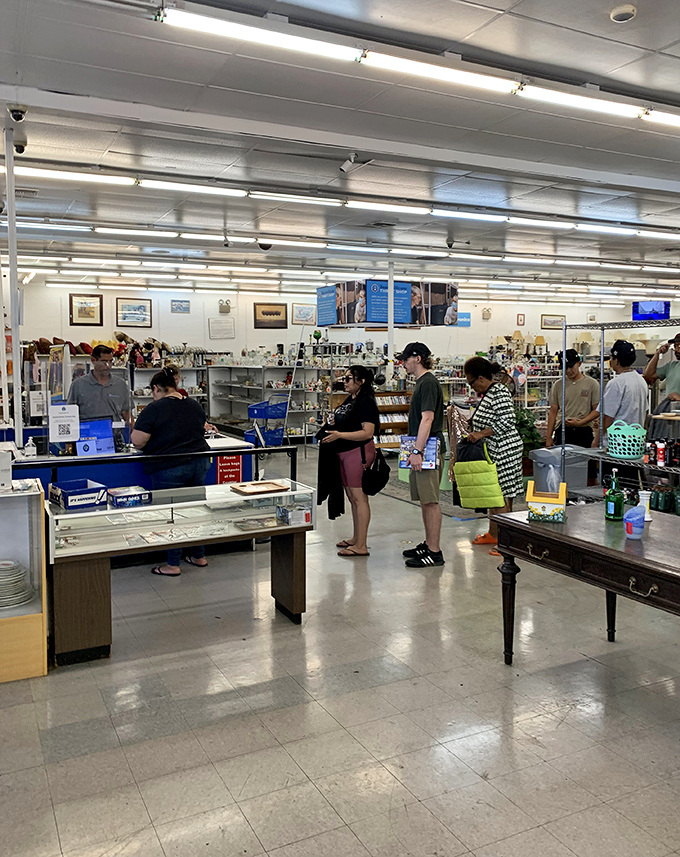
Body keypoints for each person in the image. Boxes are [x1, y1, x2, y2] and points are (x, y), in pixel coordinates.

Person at [130, 367, 211, 577]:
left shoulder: (154, 409)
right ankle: (199, 555)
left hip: (170, 466)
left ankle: (173, 564)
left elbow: (138, 441)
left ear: (156, 388)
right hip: (199, 462)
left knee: (171, 514)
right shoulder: (193, 405)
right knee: (195, 510)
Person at [465, 356, 523, 556]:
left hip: (504, 450)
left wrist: (481, 433)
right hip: (494, 450)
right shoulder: (490, 393)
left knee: (500, 495)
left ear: (481, 378)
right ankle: (494, 533)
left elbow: (507, 420)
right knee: (493, 494)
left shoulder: (499, 392)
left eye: (471, 382)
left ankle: (506, 542)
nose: (472, 387)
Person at [321, 366, 380, 557]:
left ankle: (361, 545)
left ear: (361, 381)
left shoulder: (366, 402)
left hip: (357, 452)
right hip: (345, 452)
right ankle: (357, 538)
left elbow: (367, 432)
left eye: (348, 379)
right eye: (344, 379)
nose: (344, 382)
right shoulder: (351, 399)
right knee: (352, 497)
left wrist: (339, 434)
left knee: (359, 498)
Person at [399, 343, 446, 568]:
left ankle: (434, 552)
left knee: (430, 501)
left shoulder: (427, 383)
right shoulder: (422, 382)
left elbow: (428, 419)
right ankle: (429, 544)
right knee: (425, 501)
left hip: (428, 448)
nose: (403, 364)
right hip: (422, 447)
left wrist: (417, 451)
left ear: (417, 358)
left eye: (405, 359)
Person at [545, 349, 600, 448]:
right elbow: (553, 411)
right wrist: (548, 437)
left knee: (584, 457)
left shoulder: (592, 384)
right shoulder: (558, 385)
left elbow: (597, 410)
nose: (568, 371)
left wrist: (580, 422)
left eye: (571, 367)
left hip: (584, 431)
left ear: (579, 363)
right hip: (563, 430)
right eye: (565, 368)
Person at [67, 344, 132, 425]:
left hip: (114, 431)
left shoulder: (121, 384)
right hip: (88, 431)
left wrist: (132, 430)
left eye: (110, 361)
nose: (108, 366)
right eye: (104, 362)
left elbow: (127, 413)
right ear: (93, 360)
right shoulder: (78, 385)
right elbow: (70, 414)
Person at [600, 340, 648, 432]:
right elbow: (645, 412)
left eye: (611, 358)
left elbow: (607, 417)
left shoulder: (616, 383)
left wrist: (597, 438)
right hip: (636, 436)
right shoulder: (641, 380)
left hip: (618, 437)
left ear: (616, 361)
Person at [643, 331, 680, 402]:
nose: (676, 350)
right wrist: (657, 353)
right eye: (675, 346)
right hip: (670, 408)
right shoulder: (671, 366)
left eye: (679, 346)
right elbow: (649, 374)